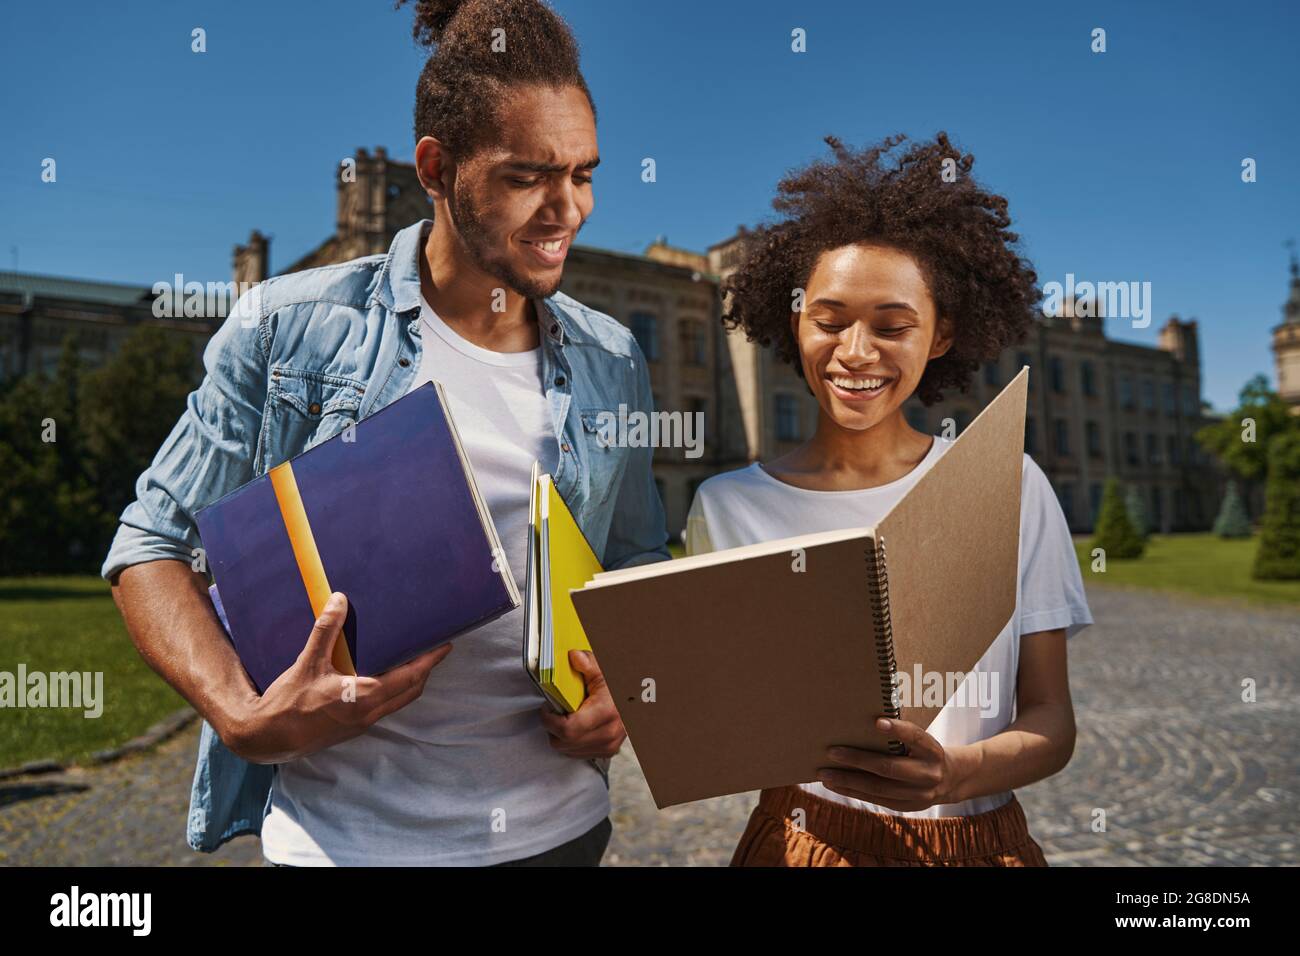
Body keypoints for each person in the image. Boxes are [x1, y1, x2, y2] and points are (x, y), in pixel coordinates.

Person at [102, 0, 669, 866]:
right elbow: (150, 544)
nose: (568, 210)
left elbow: (635, 560)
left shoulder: (612, 356)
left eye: (584, 173)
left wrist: (629, 688)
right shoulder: (286, 327)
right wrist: (239, 713)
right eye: (528, 177)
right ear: (437, 169)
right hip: (343, 844)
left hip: (561, 834)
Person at [686, 133, 1092, 867]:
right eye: (830, 319)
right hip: (802, 843)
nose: (857, 353)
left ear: (940, 337)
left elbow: (1052, 722)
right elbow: (717, 719)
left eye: (893, 326)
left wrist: (956, 772)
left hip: (976, 845)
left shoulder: (1009, 484)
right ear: (795, 321)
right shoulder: (725, 506)